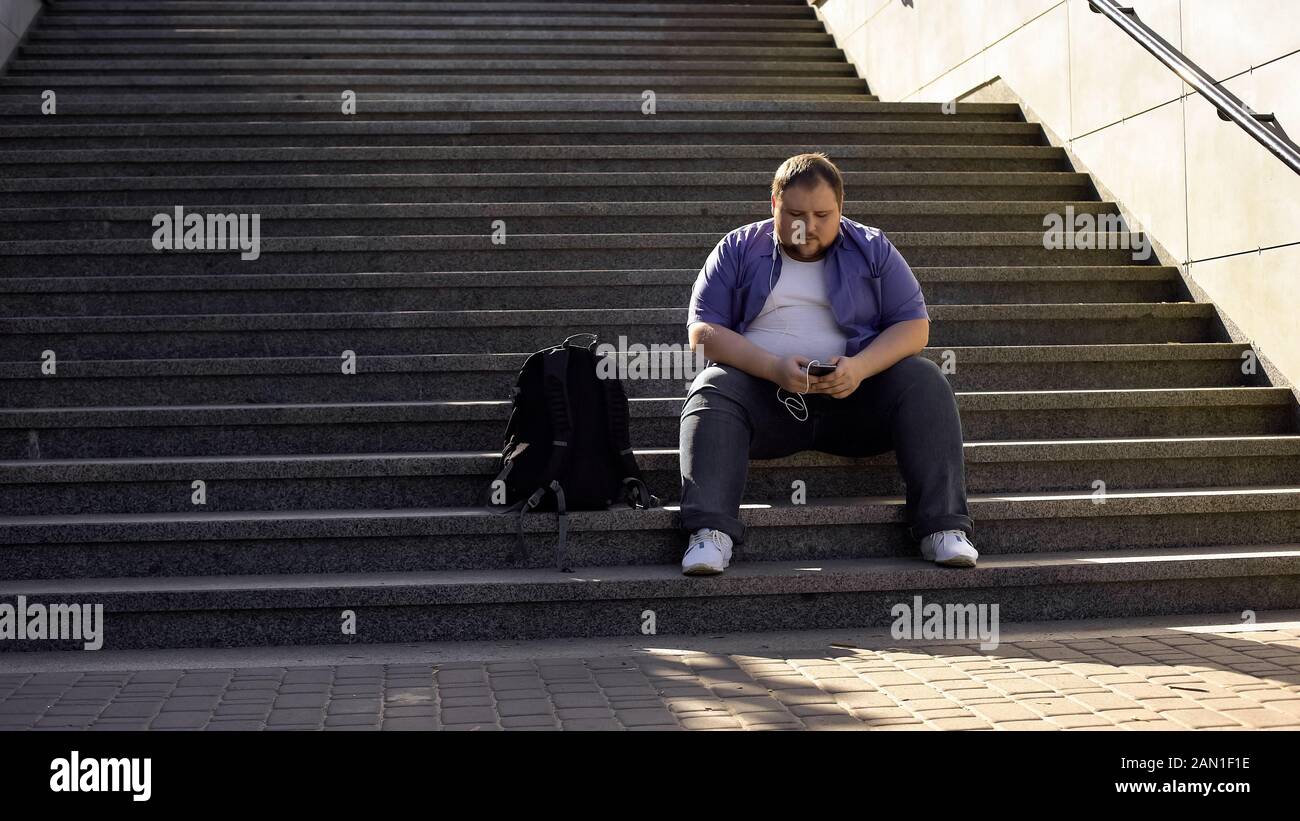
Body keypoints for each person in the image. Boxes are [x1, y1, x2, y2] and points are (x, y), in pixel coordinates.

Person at [678, 152, 977, 575]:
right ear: (773, 205)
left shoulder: (872, 248)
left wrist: (859, 368)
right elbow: (703, 333)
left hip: (856, 401)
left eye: (823, 214)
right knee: (712, 386)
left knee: (924, 378)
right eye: (796, 213)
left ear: (841, 208)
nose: (809, 226)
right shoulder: (738, 248)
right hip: (768, 402)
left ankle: (943, 528)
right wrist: (772, 367)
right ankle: (709, 532)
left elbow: (914, 328)